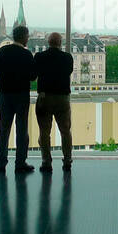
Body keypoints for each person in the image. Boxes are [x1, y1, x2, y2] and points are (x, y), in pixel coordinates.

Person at [0, 24, 36, 174]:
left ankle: (1, 163)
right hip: (21, 95)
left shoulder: (4, 50)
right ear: (23, 37)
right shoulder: (27, 55)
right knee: (21, 130)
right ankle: (20, 163)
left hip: (5, 94)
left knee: (4, 129)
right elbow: (33, 76)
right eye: (27, 37)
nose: (28, 39)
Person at [33, 31, 74, 173]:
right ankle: (67, 160)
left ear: (48, 42)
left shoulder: (39, 57)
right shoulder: (68, 58)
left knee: (44, 132)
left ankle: (46, 161)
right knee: (65, 131)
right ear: (60, 43)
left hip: (45, 97)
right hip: (62, 98)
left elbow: (34, 75)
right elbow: (68, 72)